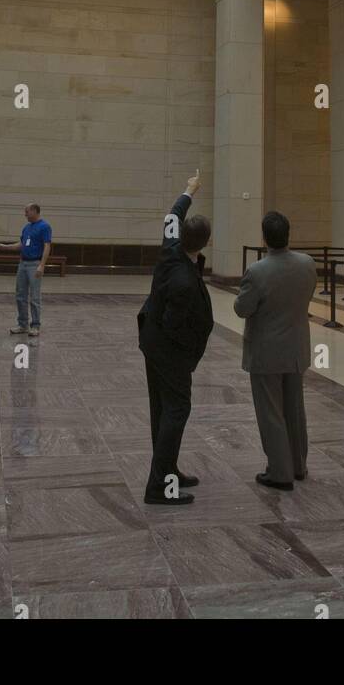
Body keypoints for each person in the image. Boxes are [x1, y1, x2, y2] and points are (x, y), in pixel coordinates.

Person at [137, 170, 213, 506]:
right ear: (206, 243)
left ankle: (167, 472)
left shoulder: (171, 247)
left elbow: (172, 215)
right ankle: (159, 487)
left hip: (152, 343)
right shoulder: (183, 279)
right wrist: (190, 354)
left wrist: (189, 190)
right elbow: (174, 325)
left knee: (162, 409)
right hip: (168, 351)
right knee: (177, 409)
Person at [234, 211, 317, 491]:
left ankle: (280, 472)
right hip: (296, 349)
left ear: (264, 237)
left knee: (271, 412)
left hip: (267, 352)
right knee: (294, 409)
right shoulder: (307, 264)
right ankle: (298, 465)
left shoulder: (257, 271)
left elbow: (242, 308)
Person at [10, 203, 52, 337]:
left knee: (34, 297)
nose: (25, 214)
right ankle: (23, 325)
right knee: (20, 296)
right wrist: (5, 246)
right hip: (23, 264)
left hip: (35, 264)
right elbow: (21, 245)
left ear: (34, 211)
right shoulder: (26, 227)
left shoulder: (44, 226)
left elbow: (47, 246)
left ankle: (35, 325)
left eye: (27, 211)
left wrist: (42, 265)